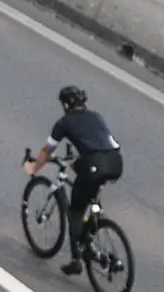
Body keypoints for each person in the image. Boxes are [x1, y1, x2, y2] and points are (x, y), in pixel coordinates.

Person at [24, 85, 123, 276]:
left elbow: (47, 150)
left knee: (75, 211)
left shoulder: (65, 122)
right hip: (115, 161)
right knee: (87, 183)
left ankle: (76, 260)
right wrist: (78, 163)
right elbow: (97, 143)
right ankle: (92, 227)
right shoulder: (96, 116)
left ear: (66, 104)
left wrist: (33, 168)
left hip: (95, 165)